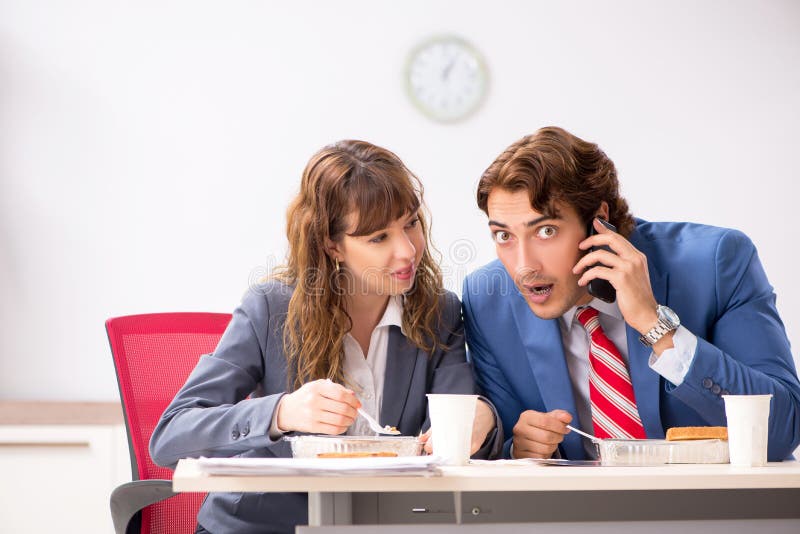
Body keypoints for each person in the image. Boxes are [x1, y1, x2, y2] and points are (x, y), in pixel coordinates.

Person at [150, 140, 501, 534]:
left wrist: (482, 420)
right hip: (261, 527)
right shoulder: (270, 308)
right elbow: (171, 436)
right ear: (332, 244)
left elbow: (456, 432)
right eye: (378, 238)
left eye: (411, 224)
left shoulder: (441, 312)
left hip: (382, 526)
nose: (407, 251)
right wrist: (282, 413)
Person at [462, 126, 800, 461]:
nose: (523, 267)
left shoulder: (717, 264)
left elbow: (782, 432)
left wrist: (656, 326)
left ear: (599, 220)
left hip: (706, 511)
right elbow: (503, 447)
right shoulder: (488, 303)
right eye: (504, 236)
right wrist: (519, 448)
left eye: (545, 231)